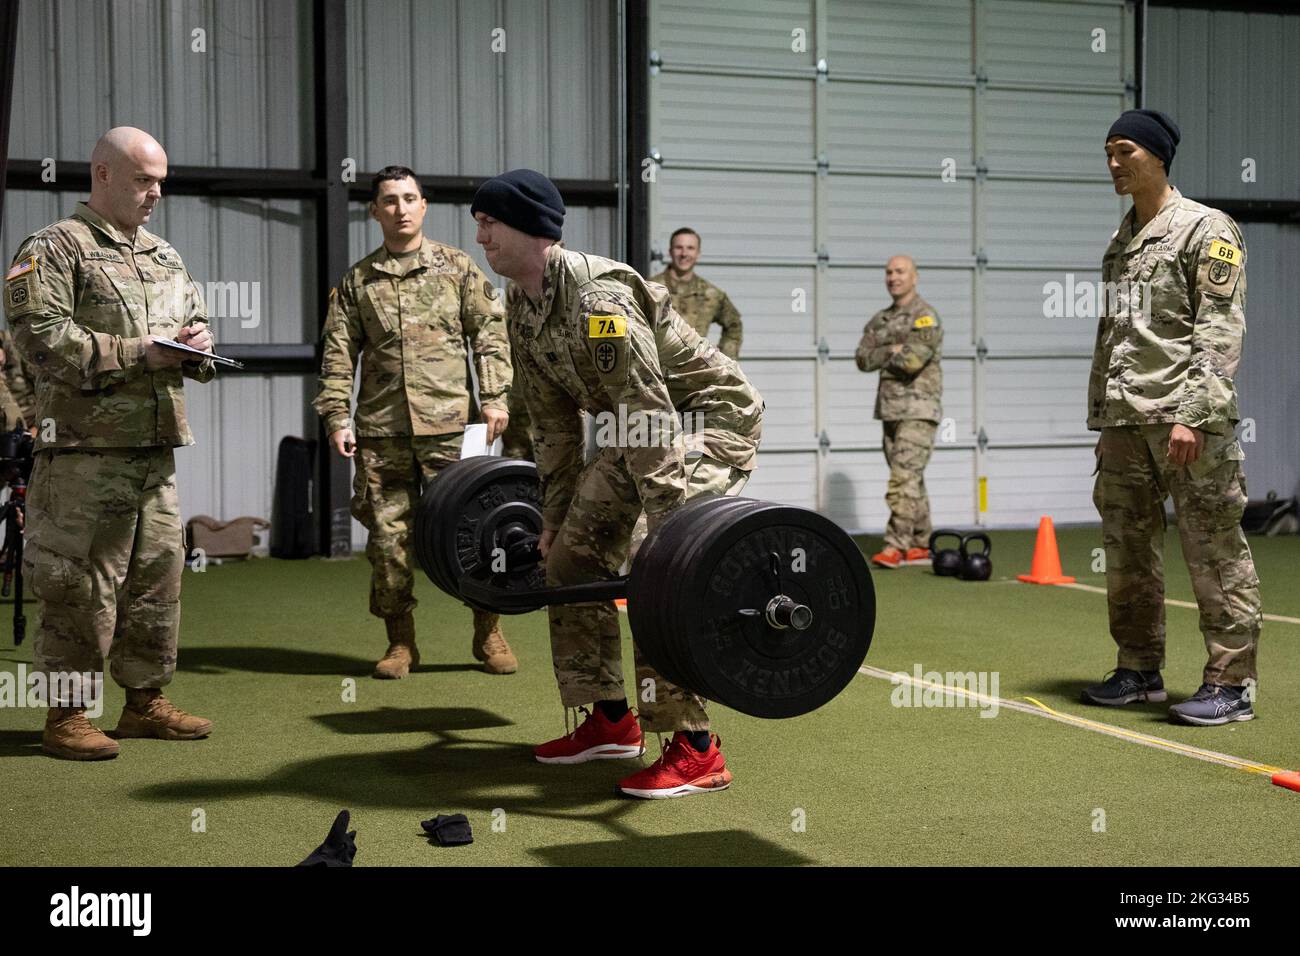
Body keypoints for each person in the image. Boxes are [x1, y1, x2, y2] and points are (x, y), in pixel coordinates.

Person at [472, 169, 763, 798]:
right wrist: (552, 519)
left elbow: (650, 416)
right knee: (573, 558)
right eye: (479, 221)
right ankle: (609, 719)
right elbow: (553, 429)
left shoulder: (600, 302)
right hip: (637, 429)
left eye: (490, 221)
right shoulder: (521, 309)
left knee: (652, 569)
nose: (480, 233)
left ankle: (695, 748)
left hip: (708, 424)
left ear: (532, 229)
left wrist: (669, 534)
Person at [4, 126, 215, 760]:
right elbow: (39, 338)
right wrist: (141, 353)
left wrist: (196, 345)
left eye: (161, 183)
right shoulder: (52, 249)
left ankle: (145, 703)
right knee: (78, 586)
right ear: (102, 175)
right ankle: (66, 715)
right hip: (81, 454)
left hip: (154, 449)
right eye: (143, 180)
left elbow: (191, 320)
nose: (155, 194)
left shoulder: (163, 255)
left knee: (157, 579)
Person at [1082, 109, 1262, 726]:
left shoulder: (1205, 231)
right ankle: (1138, 669)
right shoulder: (1123, 238)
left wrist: (1193, 414)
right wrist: (1106, 422)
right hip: (1128, 424)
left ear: (1157, 156)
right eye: (1107, 151)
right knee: (1128, 548)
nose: (1113, 163)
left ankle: (1231, 683)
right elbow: (1116, 340)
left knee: (1213, 547)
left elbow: (1218, 331)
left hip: (1188, 421)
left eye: (1124, 151)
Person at [315, 165, 518, 678]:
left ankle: (488, 631)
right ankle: (401, 643)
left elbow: (490, 334)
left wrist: (495, 397)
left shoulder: (458, 269)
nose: (400, 208)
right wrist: (338, 416)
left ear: (423, 206)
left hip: (451, 429)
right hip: (382, 436)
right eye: (389, 200)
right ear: (375, 211)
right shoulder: (357, 282)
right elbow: (338, 357)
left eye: (409, 198)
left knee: (474, 533)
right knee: (388, 542)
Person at [854, 255, 943, 569]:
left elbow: (913, 361)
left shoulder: (925, 318)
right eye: (889, 272)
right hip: (890, 411)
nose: (893, 277)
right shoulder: (880, 320)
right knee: (910, 479)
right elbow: (862, 358)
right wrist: (893, 349)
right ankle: (920, 542)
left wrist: (889, 352)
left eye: (900, 271)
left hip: (919, 409)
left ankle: (895, 543)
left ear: (914, 277)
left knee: (901, 479)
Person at [650, 227, 743, 360]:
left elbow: (734, 325)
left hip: (695, 374)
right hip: (657, 373)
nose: (684, 253)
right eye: (679, 247)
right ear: (670, 252)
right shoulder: (651, 289)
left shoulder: (710, 294)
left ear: (698, 253)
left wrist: (722, 359)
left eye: (690, 248)